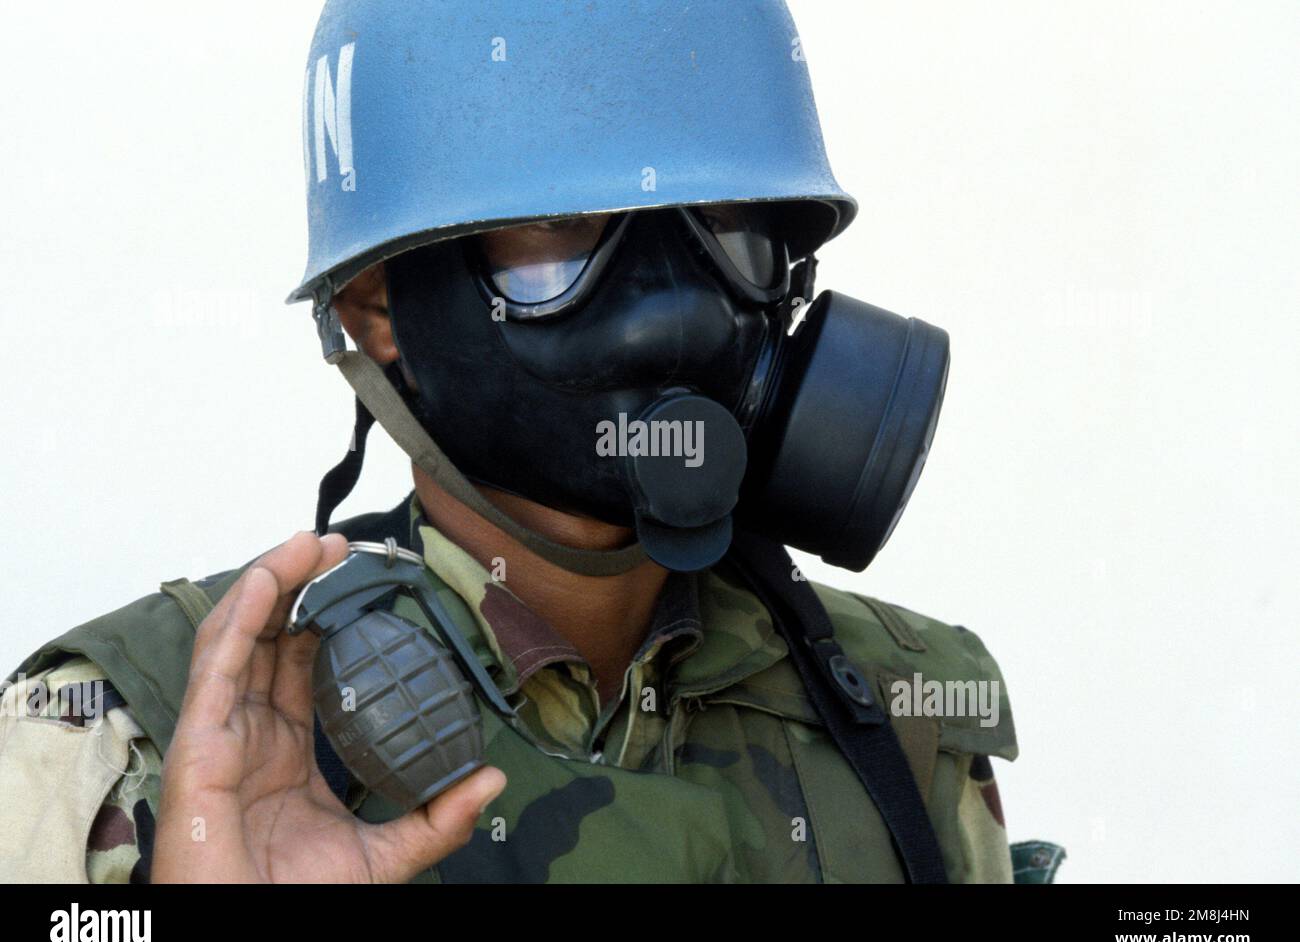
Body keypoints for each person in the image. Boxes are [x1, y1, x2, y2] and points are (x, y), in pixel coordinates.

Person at [0, 0, 1051, 884]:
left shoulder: (900, 725)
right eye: (557, 234)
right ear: (376, 308)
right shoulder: (137, 735)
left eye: (722, 225)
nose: (672, 312)